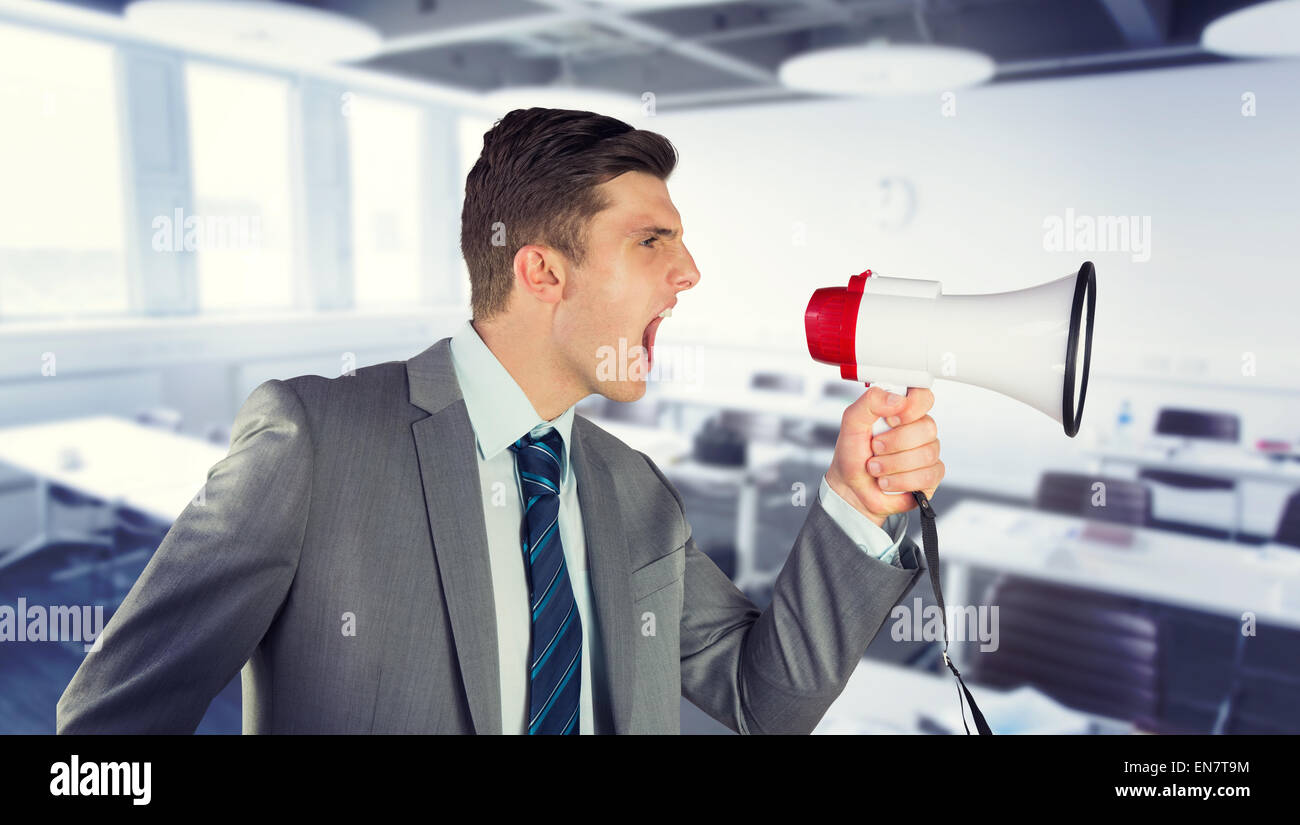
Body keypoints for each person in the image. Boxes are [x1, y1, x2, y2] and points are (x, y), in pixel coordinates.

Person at [56, 108, 944, 734]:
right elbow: (107, 728)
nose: (690, 274)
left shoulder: (635, 491)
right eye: (651, 241)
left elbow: (763, 703)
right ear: (542, 271)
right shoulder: (315, 441)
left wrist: (854, 507)